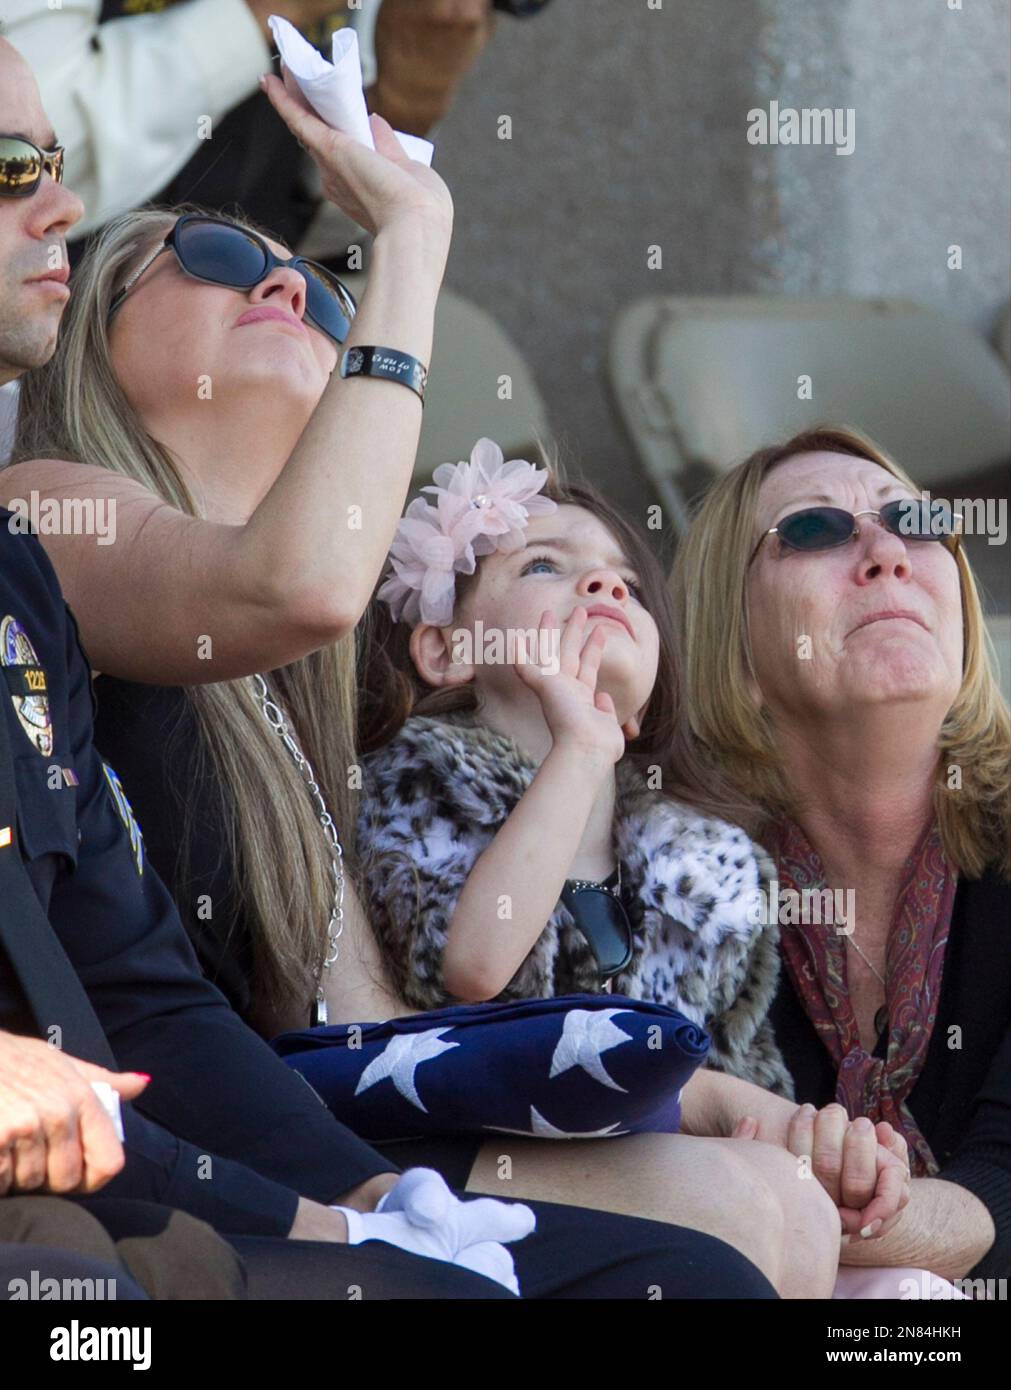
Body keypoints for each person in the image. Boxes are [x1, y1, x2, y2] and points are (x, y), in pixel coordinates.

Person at [0, 32, 781, 1302]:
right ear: (97, 342)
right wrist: (409, 241)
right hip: (131, 1192)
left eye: (315, 280)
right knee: (732, 1231)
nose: (286, 283)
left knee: (745, 1250)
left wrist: (370, 1212)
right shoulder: (46, 517)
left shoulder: (301, 677)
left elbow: (241, 1006)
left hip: (239, 1139)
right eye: (211, 252)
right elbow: (298, 581)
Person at [672, 424, 1011, 1288]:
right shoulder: (673, 880)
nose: (886, 552)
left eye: (916, 519)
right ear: (733, 642)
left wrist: (792, 1210)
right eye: (815, 530)